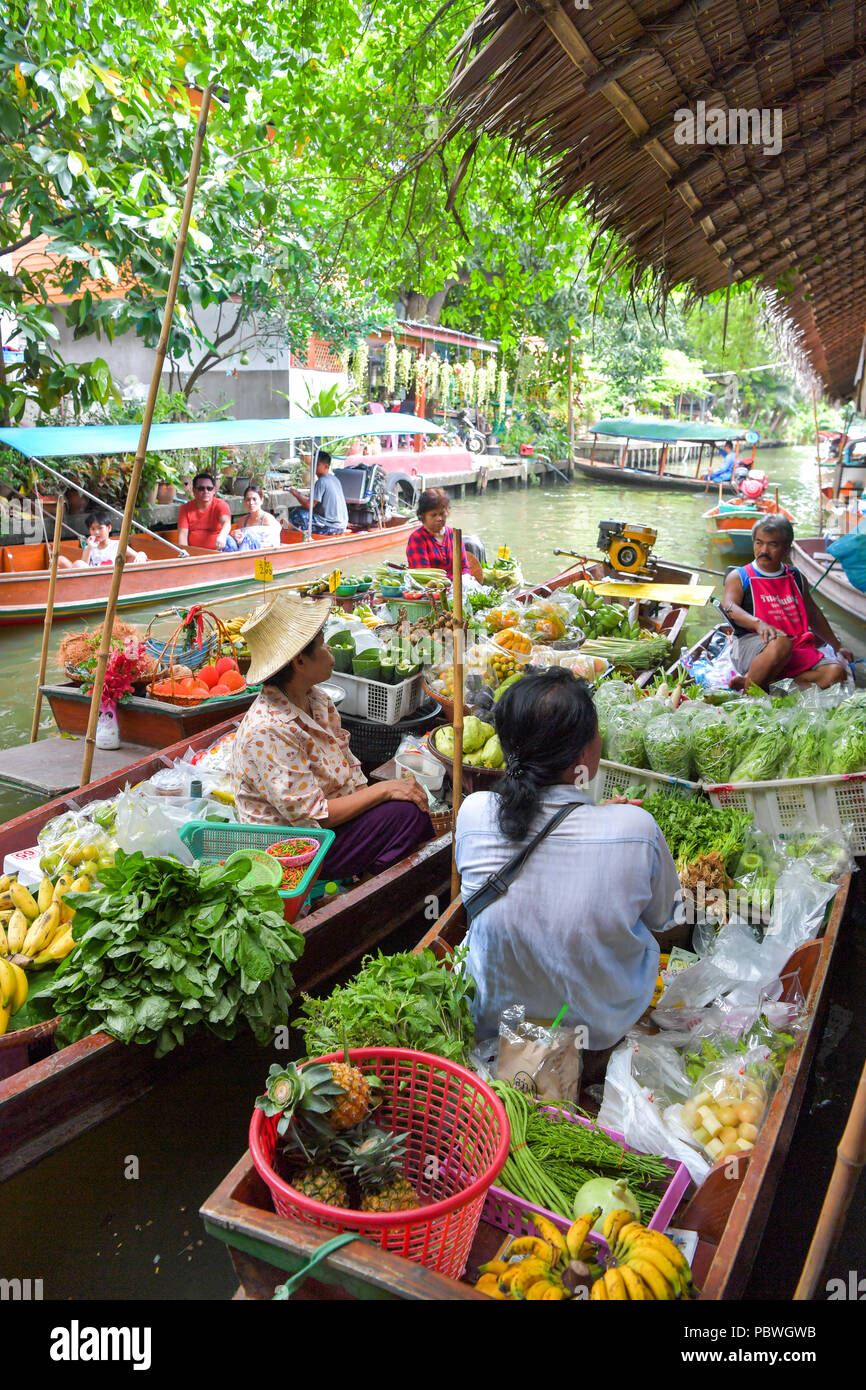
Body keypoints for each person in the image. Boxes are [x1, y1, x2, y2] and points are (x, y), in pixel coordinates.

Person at [455, 667, 684, 1081]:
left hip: (493, 1023)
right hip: (596, 1032)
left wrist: (610, 826)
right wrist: (619, 827)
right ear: (583, 755)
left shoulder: (473, 811)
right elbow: (666, 917)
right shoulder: (637, 829)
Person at [230, 594, 433, 879]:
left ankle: (365, 873)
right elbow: (313, 816)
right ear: (299, 660)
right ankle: (362, 880)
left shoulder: (318, 699)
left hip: (333, 822)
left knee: (406, 806)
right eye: (323, 645)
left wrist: (375, 798)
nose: (330, 653)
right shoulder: (269, 729)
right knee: (408, 816)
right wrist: (383, 791)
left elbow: (348, 763)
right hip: (296, 848)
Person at [720, 515, 853, 691]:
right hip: (751, 646)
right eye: (759, 543)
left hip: (796, 647)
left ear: (787, 549)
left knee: (836, 674)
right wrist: (758, 624)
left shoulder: (797, 577)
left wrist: (837, 646)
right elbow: (728, 607)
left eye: (772, 545)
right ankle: (751, 689)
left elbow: (813, 614)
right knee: (781, 643)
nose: (764, 550)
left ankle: (754, 682)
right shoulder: (739, 576)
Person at [406, 487, 471, 576]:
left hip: (457, 587)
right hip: (431, 589)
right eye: (433, 515)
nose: (439, 519)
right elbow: (425, 576)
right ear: (423, 516)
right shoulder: (417, 539)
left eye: (442, 514)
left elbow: (464, 567)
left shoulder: (454, 535)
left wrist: (465, 579)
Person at [56, 509, 147, 569]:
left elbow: (139, 555)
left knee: (78, 564)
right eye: (93, 529)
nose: (96, 532)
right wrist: (89, 547)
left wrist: (141, 554)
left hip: (106, 580)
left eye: (100, 528)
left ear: (109, 528)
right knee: (59, 559)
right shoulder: (90, 547)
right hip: (89, 579)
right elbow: (83, 566)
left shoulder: (117, 545)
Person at [287, 451, 349, 535]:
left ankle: (304, 537)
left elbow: (310, 505)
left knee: (296, 514)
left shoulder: (321, 481)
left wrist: (296, 494)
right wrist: (300, 495)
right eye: (313, 464)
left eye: (317, 464)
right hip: (341, 525)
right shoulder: (334, 479)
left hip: (331, 526)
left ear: (326, 466)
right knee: (301, 510)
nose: (314, 467)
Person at [177, 473, 232, 550]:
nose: (206, 491)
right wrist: (185, 555)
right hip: (194, 554)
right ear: (194, 490)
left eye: (209, 488)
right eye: (201, 488)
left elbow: (226, 523)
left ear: (214, 490)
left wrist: (222, 536)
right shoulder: (185, 509)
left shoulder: (221, 505)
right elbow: (182, 535)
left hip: (219, 551)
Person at [222, 485, 282, 552]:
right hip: (242, 551)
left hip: (261, 555)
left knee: (248, 539)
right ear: (244, 502)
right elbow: (237, 542)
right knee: (226, 538)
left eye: (254, 499)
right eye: (248, 500)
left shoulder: (268, 519)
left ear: (261, 500)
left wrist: (247, 542)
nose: (251, 503)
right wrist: (235, 537)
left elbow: (273, 544)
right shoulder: (242, 521)